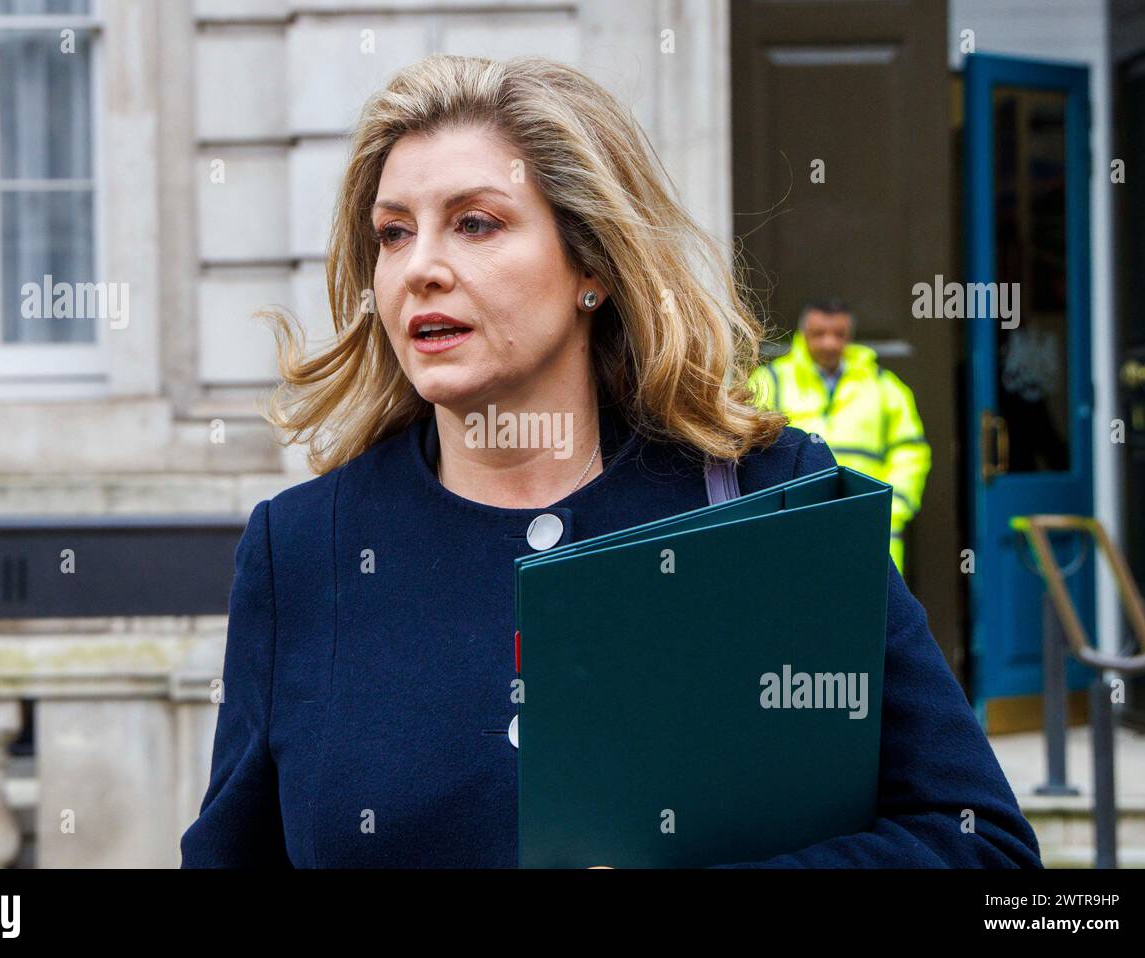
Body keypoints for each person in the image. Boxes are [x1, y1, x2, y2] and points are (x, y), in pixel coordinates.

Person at [178, 54, 1040, 868]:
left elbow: (980, 844)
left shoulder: (774, 496)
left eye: (475, 223)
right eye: (393, 234)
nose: (421, 269)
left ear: (590, 262)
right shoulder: (299, 550)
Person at [749, 300, 932, 574]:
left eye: (839, 335)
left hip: (869, 526)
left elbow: (910, 453)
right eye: (819, 334)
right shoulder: (769, 381)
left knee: (872, 612)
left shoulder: (884, 386)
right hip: (793, 529)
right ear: (803, 335)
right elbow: (749, 449)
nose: (829, 343)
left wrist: (891, 507)